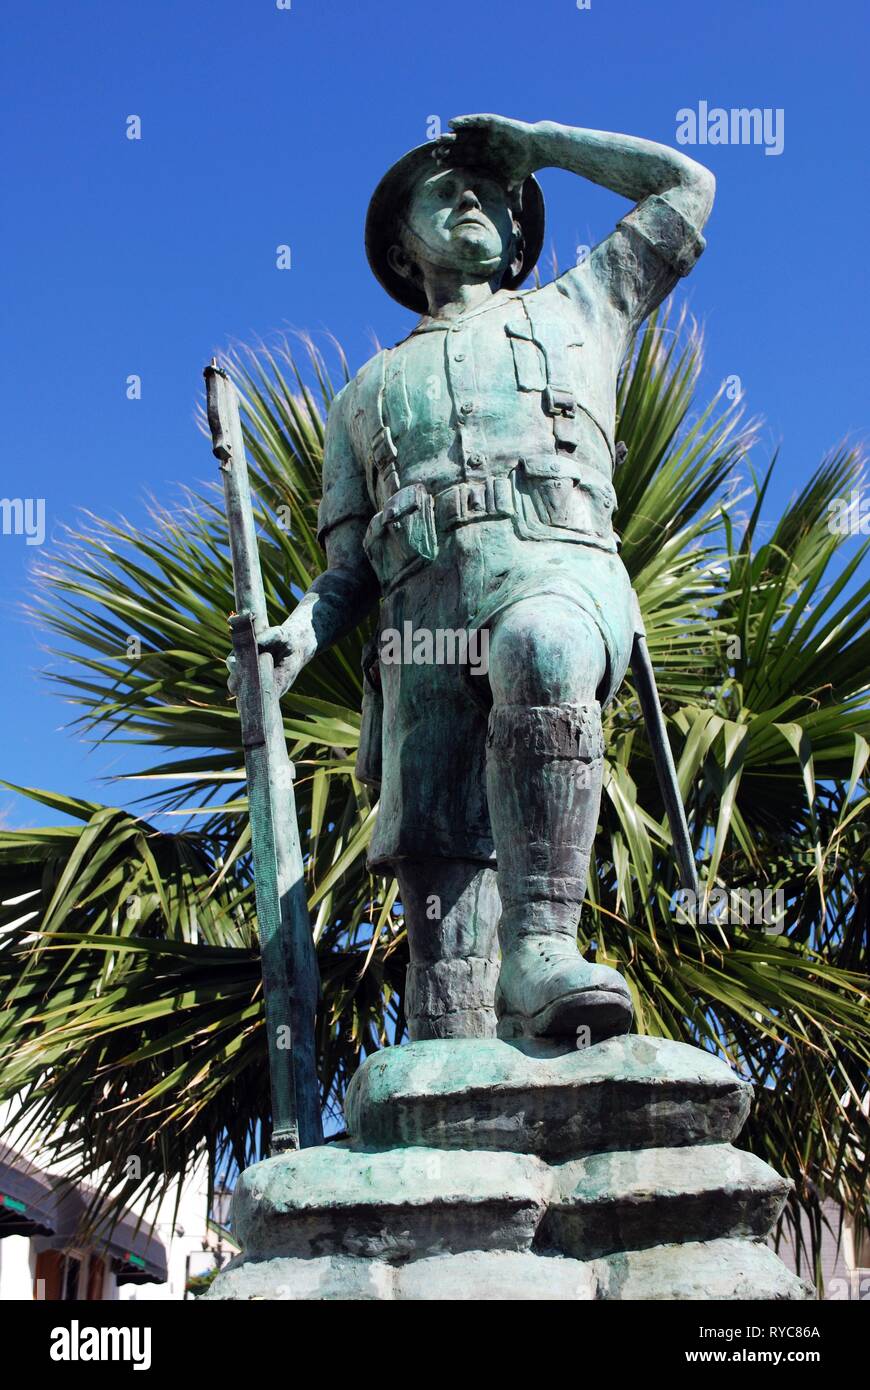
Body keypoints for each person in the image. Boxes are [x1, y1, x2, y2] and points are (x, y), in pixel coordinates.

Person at [251, 114, 714, 1043]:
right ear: (398, 243)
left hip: (556, 567)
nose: (474, 198)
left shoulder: (582, 306)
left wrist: (541, 145)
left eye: (494, 191)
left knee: (539, 649)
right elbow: (348, 573)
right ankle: (448, 1050)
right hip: (421, 624)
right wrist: (300, 631)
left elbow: (686, 189)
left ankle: (545, 941)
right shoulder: (362, 397)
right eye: (445, 189)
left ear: (518, 232)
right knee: (445, 961)